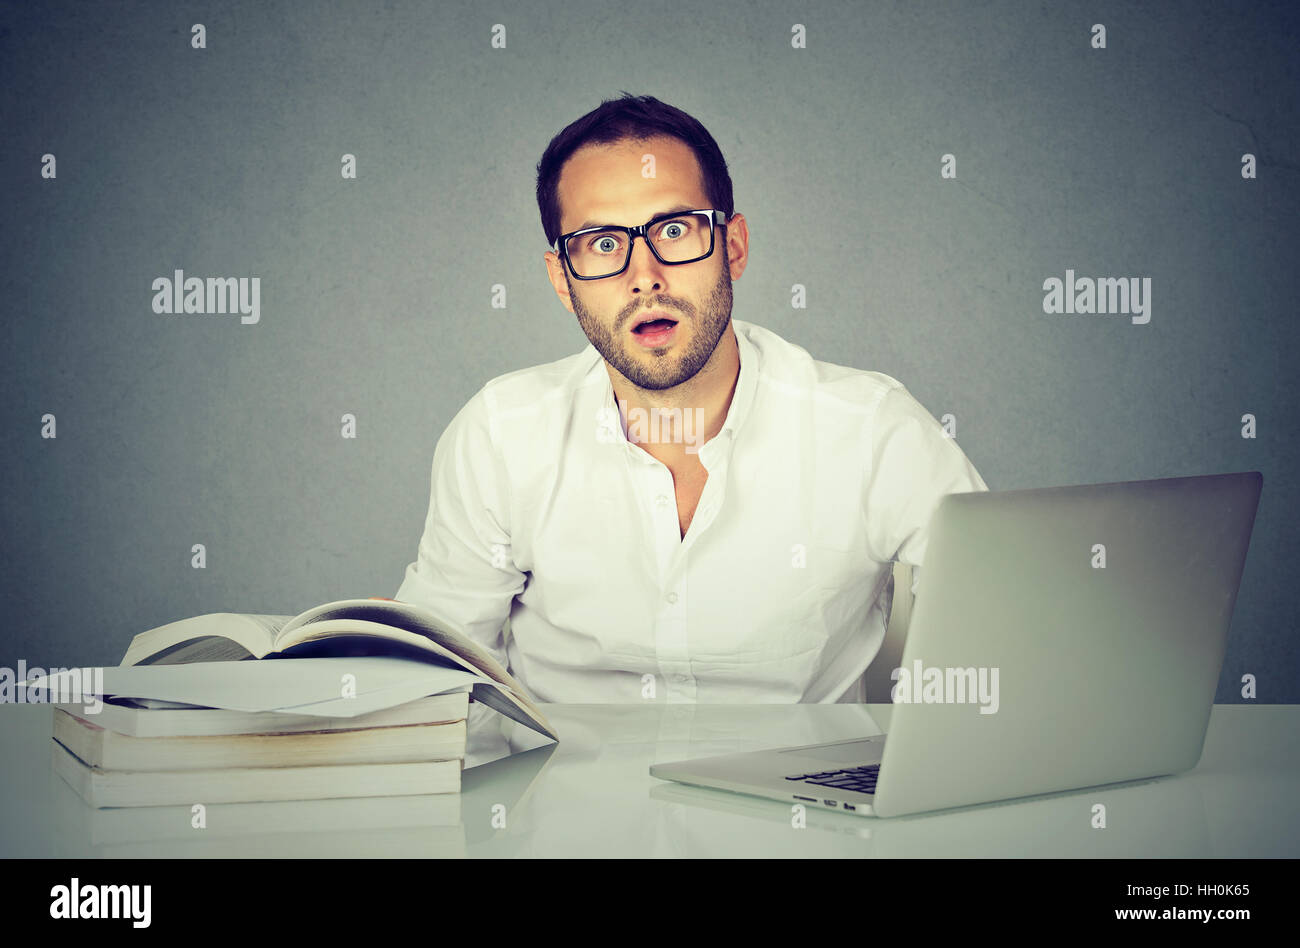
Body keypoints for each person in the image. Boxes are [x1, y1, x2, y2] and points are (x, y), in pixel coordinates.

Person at [395, 93, 988, 704]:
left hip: (793, 799)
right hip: (560, 790)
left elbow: (1008, 630)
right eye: (602, 244)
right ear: (561, 281)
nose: (644, 275)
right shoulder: (500, 435)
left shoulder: (871, 429)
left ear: (733, 247)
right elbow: (434, 680)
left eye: (675, 230)